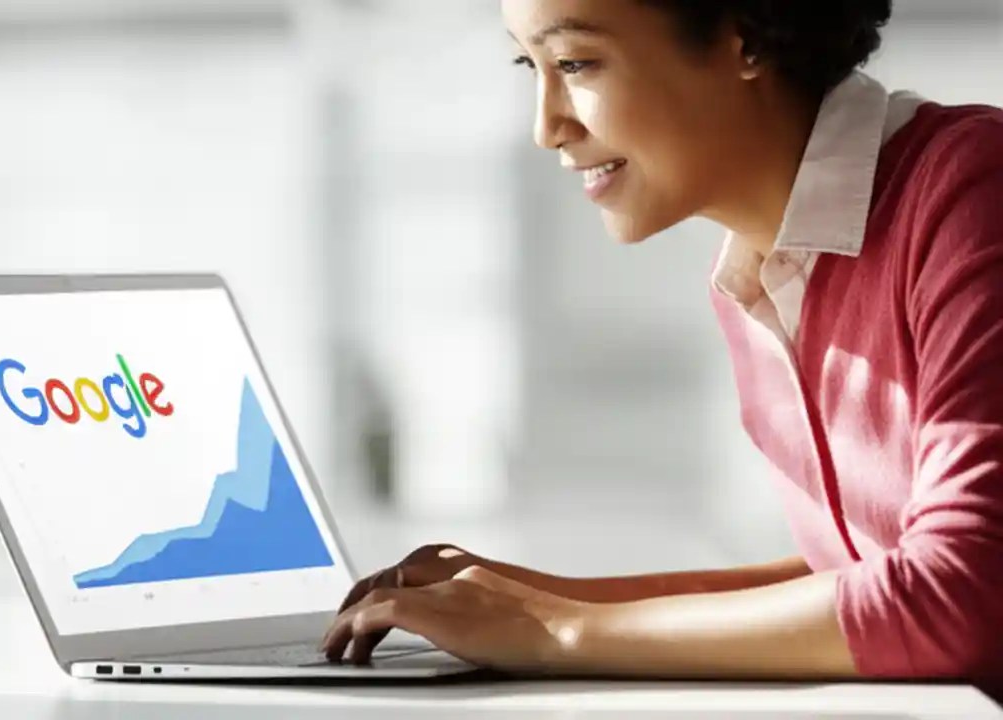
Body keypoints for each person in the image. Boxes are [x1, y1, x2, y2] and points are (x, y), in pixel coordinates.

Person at [321, 0, 1003, 695]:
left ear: (746, 37)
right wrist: (527, 597)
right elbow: (866, 571)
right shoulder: (758, 277)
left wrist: (556, 630)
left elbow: (962, 597)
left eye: (576, 63)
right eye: (531, 65)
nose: (545, 125)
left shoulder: (972, 190)